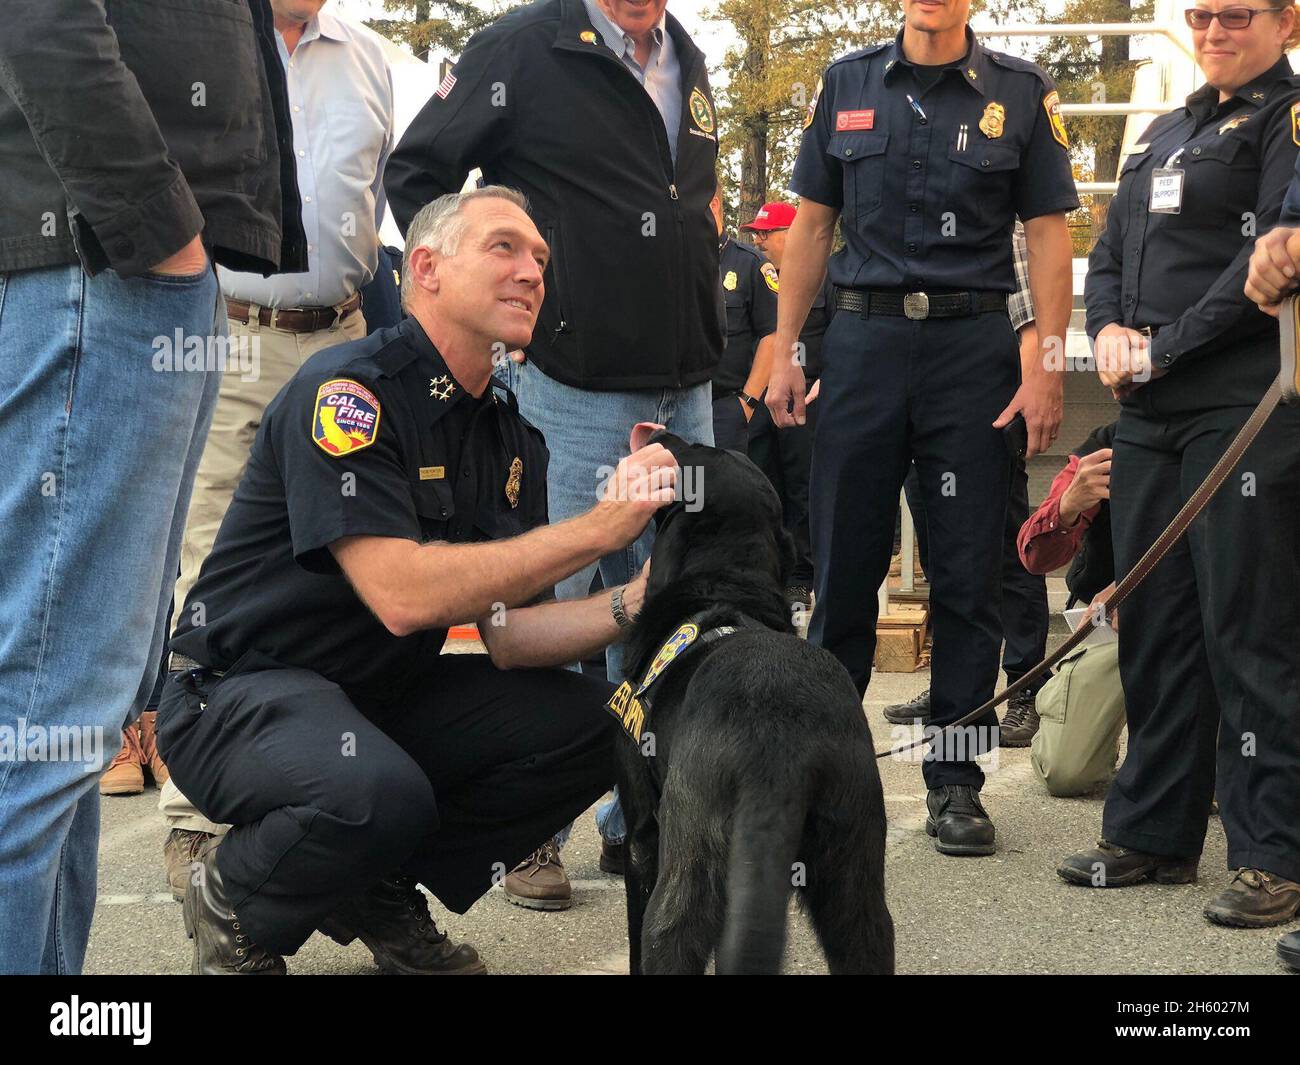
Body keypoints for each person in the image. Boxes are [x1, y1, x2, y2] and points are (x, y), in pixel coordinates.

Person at [157, 187, 678, 974]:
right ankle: (234, 896)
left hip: (375, 700)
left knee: (611, 720)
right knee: (376, 790)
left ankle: (371, 880)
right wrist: (601, 527)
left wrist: (643, 600)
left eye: (540, 257)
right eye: (504, 247)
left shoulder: (511, 437)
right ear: (426, 268)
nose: (533, 271)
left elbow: (512, 636)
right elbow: (402, 597)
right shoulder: (351, 394)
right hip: (239, 694)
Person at [384, 0, 721, 906]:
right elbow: (418, 170)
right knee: (557, 608)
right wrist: (481, 302)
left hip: (683, 381)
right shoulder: (520, 50)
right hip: (571, 385)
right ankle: (534, 836)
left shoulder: (686, 57)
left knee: (671, 614)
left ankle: (643, 823)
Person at [0, 0, 305, 975]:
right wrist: (160, 231)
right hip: (106, 261)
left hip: (118, 263)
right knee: (46, 714)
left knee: (67, 721)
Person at [767, 0, 1076, 857]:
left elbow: (1049, 235)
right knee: (843, 571)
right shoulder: (846, 82)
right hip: (862, 344)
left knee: (968, 574)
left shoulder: (1019, 93)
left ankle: (955, 783)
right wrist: (788, 346)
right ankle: (823, 782)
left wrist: (1045, 361)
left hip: (971, 349)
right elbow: (813, 226)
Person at [1058, 4, 1300, 932]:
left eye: (1235, 15)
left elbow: (1265, 262)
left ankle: (1273, 853)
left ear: (1284, 22)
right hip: (1149, 409)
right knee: (1154, 619)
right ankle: (1152, 832)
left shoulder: (1285, 119)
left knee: (1250, 624)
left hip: (1240, 405)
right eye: (1200, 15)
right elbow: (1113, 245)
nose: (1210, 29)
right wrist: (1111, 327)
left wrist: (1166, 347)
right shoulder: (1165, 128)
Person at [147, 0, 396, 902]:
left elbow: (388, 202)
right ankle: (193, 812)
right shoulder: (200, 40)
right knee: (208, 561)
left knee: (347, 565)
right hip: (229, 331)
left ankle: (335, 791)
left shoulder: (369, 59)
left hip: (342, 342)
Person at [884, 221, 1051, 747]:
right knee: (938, 552)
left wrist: (1023, 402)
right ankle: (950, 688)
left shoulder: (1003, 224)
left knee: (1007, 551)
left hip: (988, 409)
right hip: (924, 409)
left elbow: (1027, 321)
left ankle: (1024, 688)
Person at [1017, 423, 1124, 796]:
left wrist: (1138, 587)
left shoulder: (1237, 429)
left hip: (1200, 614)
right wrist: (1067, 508)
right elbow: (1035, 557)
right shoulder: (1108, 445)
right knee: (1065, 771)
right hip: (1110, 624)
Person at [741, 200, 836, 609]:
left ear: (793, 234)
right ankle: (766, 573)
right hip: (759, 401)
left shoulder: (826, 279)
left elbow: (842, 333)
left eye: (768, 232)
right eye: (756, 234)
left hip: (807, 402)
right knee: (761, 484)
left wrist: (829, 383)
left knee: (804, 489)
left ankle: (802, 575)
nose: (759, 240)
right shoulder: (752, 279)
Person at [711, 190, 778, 454]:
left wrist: (746, 403)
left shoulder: (750, 263)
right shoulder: (676, 258)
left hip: (725, 407)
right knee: (683, 492)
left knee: (721, 492)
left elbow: (772, 334)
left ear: (714, 204)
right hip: (674, 406)